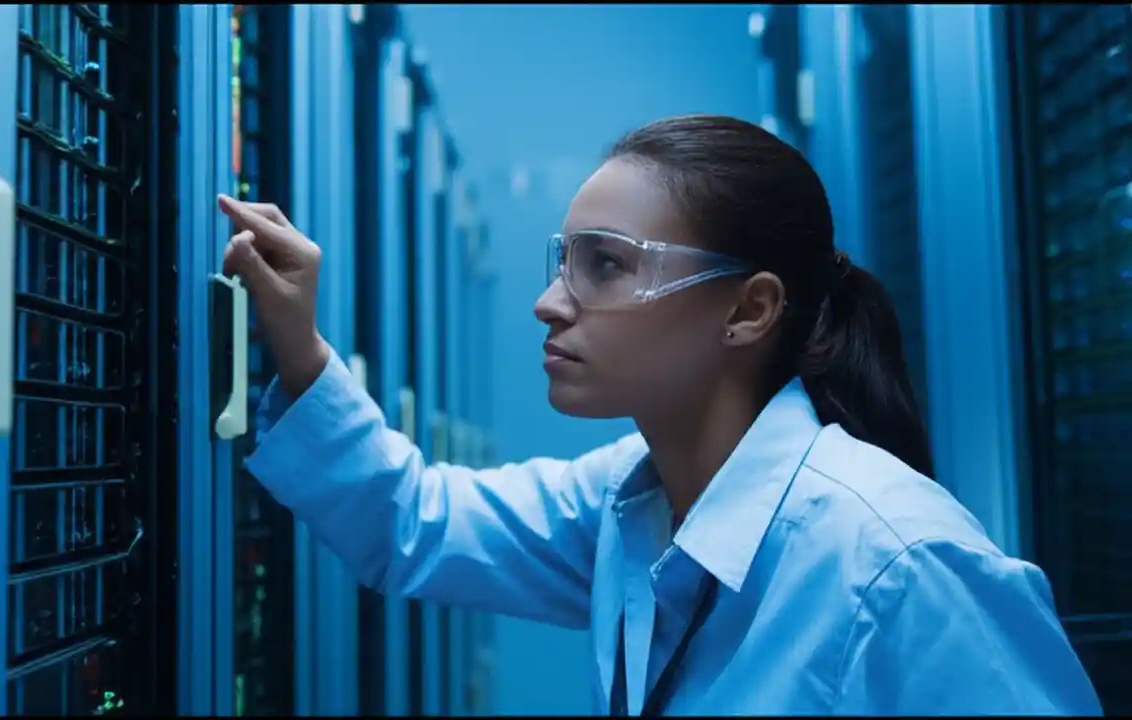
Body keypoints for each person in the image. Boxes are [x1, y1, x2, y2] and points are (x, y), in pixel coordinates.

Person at [217, 115, 1102, 716]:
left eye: (605, 266)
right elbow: (411, 522)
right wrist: (295, 340)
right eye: (565, 262)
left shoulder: (901, 565)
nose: (548, 303)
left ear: (750, 310)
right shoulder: (632, 501)